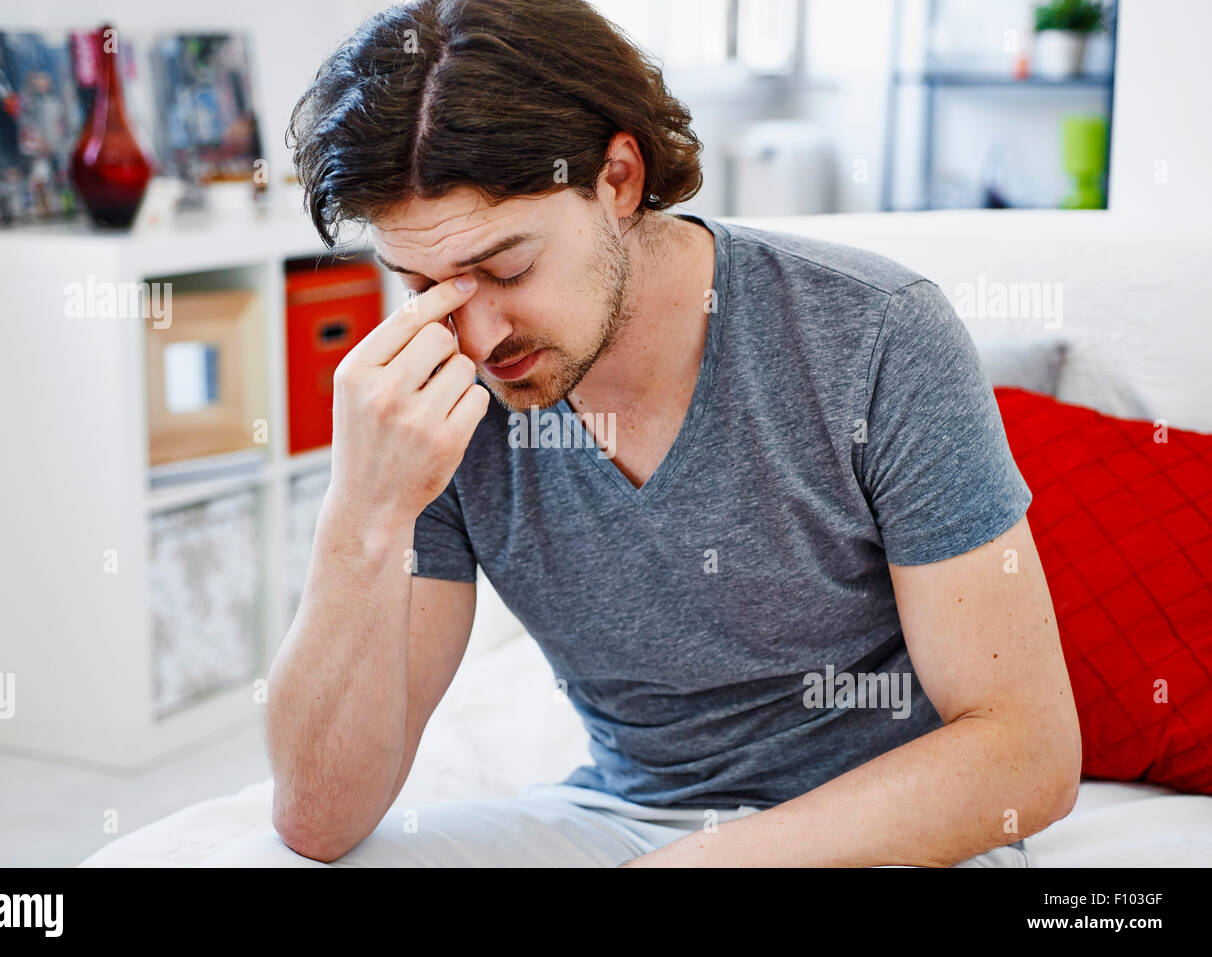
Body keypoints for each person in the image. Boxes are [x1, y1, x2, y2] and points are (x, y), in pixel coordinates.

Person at [248, 0, 1081, 868]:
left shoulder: (874, 333)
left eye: (506, 268)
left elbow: (1027, 750)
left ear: (618, 179)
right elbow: (318, 818)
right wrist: (361, 511)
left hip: (878, 835)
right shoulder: (438, 399)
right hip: (621, 819)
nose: (477, 335)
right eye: (421, 282)